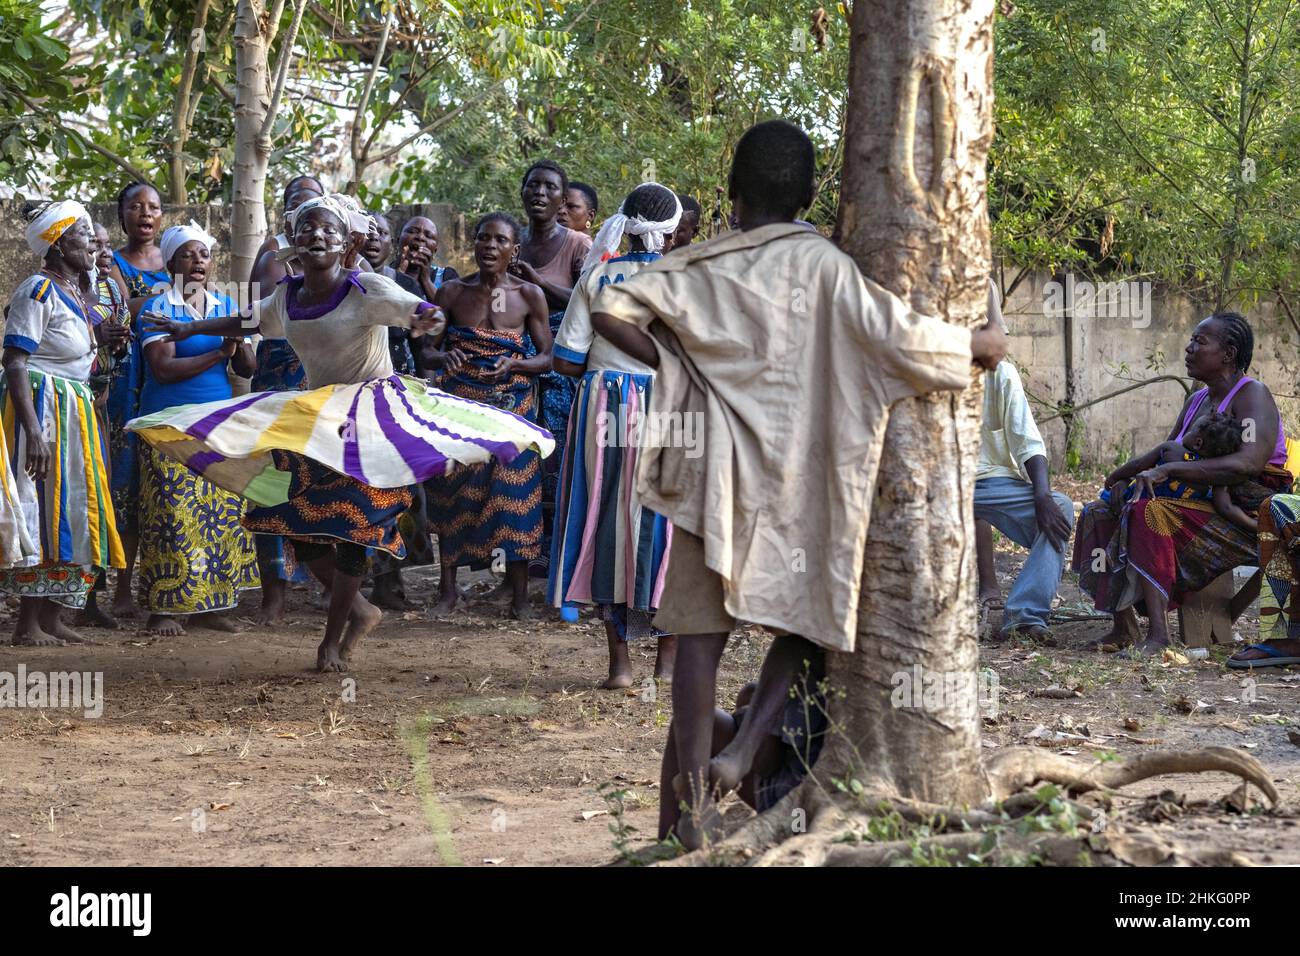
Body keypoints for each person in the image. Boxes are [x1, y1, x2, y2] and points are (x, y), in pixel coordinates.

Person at [589, 119, 1006, 848]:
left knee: (696, 646)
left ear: (730, 192)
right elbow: (900, 337)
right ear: (814, 193)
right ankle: (747, 744)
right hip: (799, 482)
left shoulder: (706, 264)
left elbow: (608, 307)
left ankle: (689, 816)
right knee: (812, 622)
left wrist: (676, 365)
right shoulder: (827, 267)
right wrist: (979, 345)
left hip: (711, 478)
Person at [130, 194, 553, 671]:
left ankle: (332, 640)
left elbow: (414, 308)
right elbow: (247, 320)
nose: (317, 236)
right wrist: (188, 330)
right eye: (308, 228)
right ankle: (359, 610)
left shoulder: (365, 287)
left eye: (329, 230)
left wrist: (427, 317)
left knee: (355, 527)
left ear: (347, 241)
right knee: (298, 525)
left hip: (372, 418)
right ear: (295, 238)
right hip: (318, 416)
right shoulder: (286, 296)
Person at [1072, 312, 1292, 657]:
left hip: (1246, 514)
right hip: (1203, 503)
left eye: (1200, 341)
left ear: (1229, 353)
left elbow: (1249, 463)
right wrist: (1130, 477)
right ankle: (1122, 625)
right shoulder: (1196, 401)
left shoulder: (1253, 395)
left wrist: (1168, 471)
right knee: (1099, 511)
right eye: (1192, 340)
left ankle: (1159, 636)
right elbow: (1170, 453)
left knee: (1151, 513)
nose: (1189, 348)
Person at [548, 182, 683, 688]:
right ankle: (667, 664)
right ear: (670, 234)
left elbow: (565, 359)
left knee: (606, 518)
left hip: (605, 403)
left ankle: (620, 666)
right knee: (670, 525)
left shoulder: (599, 275)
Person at [1, 201, 127, 644]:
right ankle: (26, 624)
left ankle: (55, 616)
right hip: (43, 405)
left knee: (73, 504)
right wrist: (33, 430)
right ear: (57, 243)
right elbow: (15, 360)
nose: (93, 243)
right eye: (84, 235)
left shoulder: (76, 292)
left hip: (73, 406)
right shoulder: (37, 290)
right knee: (42, 506)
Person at [424, 213, 553, 620]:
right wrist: (445, 355)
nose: (489, 246)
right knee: (452, 492)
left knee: (513, 496)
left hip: (512, 408)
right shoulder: (450, 293)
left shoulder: (530, 294)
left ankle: (518, 598)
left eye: (499, 240)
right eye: (483, 238)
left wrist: (514, 367)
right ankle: (448, 590)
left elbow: (547, 357)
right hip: (459, 408)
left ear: (514, 249)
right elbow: (425, 351)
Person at [134, 223, 259, 636]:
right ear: (171, 263)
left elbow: (247, 369)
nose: (198, 261)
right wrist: (217, 353)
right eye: (188, 254)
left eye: (203, 254)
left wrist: (237, 346)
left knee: (218, 513)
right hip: (168, 424)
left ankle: (212, 606)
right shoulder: (159, 307)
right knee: (170, 513)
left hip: (217, 423)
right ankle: (164, 609)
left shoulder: (226, 306)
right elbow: (164, 369)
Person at [973, 282, 1074, 643]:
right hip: (931, 487)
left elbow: (1027, 440)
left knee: (1060, 507)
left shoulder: (1001, 374)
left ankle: (1024, 614)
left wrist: (1043, 495)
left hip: (986, 486)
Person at [512, 160, 593, 576]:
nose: (540, 193)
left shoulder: (579, 244)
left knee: (556, 453)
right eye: (533, 185)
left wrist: (536, 283)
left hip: (562, 364)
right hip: (517, 363)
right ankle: (518, 561)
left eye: (549, 187)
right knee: (516, 453)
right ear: (522, 191)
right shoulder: (512, 242)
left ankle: (555, 557)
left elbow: (585, 300)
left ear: (562, 198)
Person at [247, 178, 323, 622]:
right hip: (278, 377)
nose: (306, 211)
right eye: (297, 202)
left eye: (314, 203)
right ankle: (274, 595)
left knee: (319, 480)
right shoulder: (273, 255)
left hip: (320, 382)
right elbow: (260, 317)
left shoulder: (336, 253)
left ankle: (326, 587)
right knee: (270, 484)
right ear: (285, 212)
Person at [105, 182, 170, 619]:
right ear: (122, 214)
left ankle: (164, 586)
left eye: (153, 207)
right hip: (129, 381)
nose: (145, 214)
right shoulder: (111, 263)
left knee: (164, 486)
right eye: (136, 207)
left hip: (168, 379)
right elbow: (120, 310)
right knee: (124, 485)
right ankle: (121, 589)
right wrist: (168, 300)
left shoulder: (179, 256)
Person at [76, 223, 133, 629]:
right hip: (69, 404)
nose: (102, 249)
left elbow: (124, 332)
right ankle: (63, 603)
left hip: (106, 403)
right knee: (73, 496)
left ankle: (90, 599)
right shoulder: (56, 288)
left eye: (105, 243)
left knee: (100, 497)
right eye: (93, 242)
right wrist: (97, 333)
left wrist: (117, 338)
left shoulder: (110, 289)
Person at [1098, 412, 1244, 505]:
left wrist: (1113, 477)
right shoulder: (1212, 477)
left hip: (1132, 501)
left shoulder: (1171, 449)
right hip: (1170, 521)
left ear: (1198, 443)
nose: (1186, 432)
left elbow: (1138, 465)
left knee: (1104, 500)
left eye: (1191, 430)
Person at [392, 216, 460, 304]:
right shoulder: (383, 273)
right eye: (412, 231)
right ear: (398, 242)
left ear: (434, 251)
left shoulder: (447, 277)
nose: (420, 237)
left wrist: (425, 280)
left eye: (429, 236)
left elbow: (451, 313)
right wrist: (400, 275)